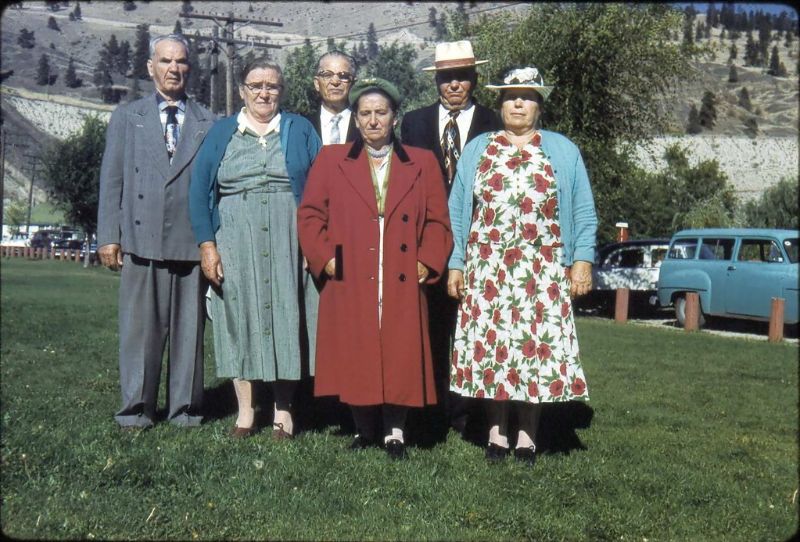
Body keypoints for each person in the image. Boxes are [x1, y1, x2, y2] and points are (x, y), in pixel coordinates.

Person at [447, 67, 596, 466]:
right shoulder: (479, 149)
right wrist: (456, 263)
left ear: (539, 106)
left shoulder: (563, 150)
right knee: (496, 351)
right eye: (511, 95)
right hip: (488, 271)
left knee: (536, 353)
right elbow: (458, 213)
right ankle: (496, 435)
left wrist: (581, 261)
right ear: (499, 104)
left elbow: (583, 212)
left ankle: (528, 438)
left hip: (542, 272)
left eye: (527, 96)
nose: (517, 102)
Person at [298, 77, 452, 459]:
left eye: (380, 113)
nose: (372, 121)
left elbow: (438, 222)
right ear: (355, 118)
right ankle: (364, 428)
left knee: (397, 348)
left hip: (400, 271)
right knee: (357, 347)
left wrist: (427, 261)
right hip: (352, 269)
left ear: (394, 118)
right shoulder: (333, 159)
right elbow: (310, 215)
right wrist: (326, 258)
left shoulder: (422, 162)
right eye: (364, 113)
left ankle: (395, 431)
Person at [188, 57, 321, 439]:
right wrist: (208, 246)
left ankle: (283, 411)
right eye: (256, 85)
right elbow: (199, 191)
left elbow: (319, 189)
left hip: (288, 236)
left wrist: (314, 242)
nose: (264, 93)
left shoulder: (300, 129)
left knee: (286, 315)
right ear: (243, 90)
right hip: (235, 236)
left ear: (282, 91)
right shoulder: (222, 132)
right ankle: (245, 412)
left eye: (272, 86)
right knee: (238, 316)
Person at [97, 34, 214, 429]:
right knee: (139, 333)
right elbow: (111, 181)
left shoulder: (208, 121)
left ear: (190, 69)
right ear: (150, 67)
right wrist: (108, 236)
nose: (173, 69)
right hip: (139, 241)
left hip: (190, 242)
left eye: (181, 62)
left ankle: (185, 410)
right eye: (165, 61)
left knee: (188, 333)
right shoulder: (127, 117)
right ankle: (136, 409)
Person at [401, 40, 501, 438]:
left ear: (474, 79)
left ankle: (471, 414)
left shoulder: (494, 122)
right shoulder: (414, 122)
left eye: (462, 76)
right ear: (437, 82)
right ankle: (430, 411)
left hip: (483, 241)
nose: (454, 85)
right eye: (447, 77)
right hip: (427, 240)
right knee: (431, 326)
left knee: (476, 328)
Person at [306, 51, 358, 145]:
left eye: (343, 76)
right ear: (317, 84)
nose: (335, 82)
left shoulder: (366, 124)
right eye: (327, 75)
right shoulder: (303, 125)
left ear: (353, 84)